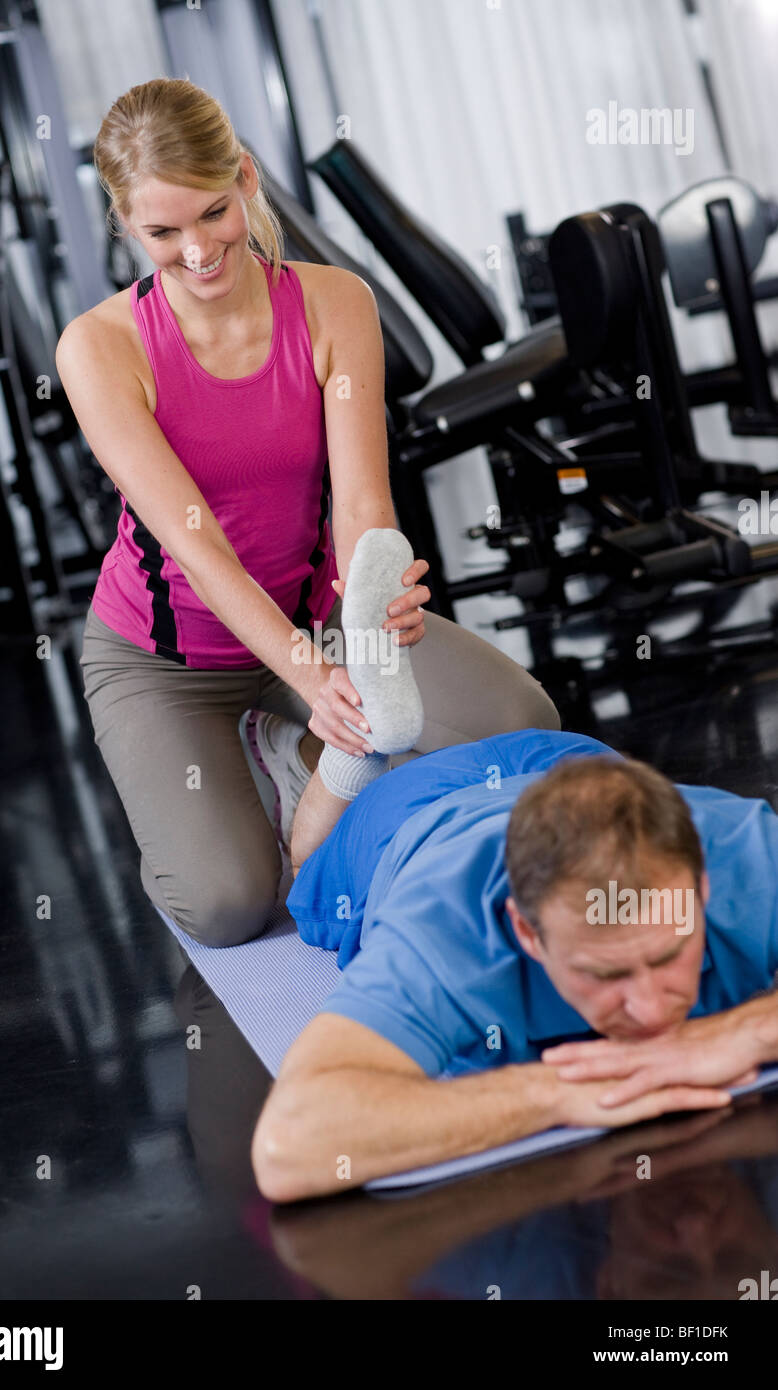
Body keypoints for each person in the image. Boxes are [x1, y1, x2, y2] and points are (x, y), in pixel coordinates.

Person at [55, 77, 559, 947]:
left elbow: (364, 498)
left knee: (522, 726)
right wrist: (303, 675)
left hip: (316, 619)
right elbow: (192, 539)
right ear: (125, 226)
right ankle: (225, 787)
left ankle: (307, 759)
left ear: (246, 178)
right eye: (161, 233)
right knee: (229, 905)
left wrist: (373, 602)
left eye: (212, 213)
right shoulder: (100, 348)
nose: (199, 251)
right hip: (166, 661)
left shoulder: (334, 303)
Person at [251, 728, 778, 1202]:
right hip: (405, 809)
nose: (649, 1008)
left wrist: (746, 1033)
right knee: (305, 873)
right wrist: (558, 1093)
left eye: (668, 956)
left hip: (572, 762)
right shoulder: (445, 929)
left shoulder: (746, 851)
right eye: (605, 973)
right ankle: (328, 757)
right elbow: (290, 1145)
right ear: (526, 932)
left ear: (701, 891)